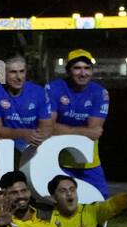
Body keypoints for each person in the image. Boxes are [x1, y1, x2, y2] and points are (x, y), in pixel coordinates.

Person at [46, 50, 111, 196]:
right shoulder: (54, 88)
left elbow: (94, 132)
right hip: (58, 161)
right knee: (58, 207)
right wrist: (81, 131)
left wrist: (62, 128)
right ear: (68, 71)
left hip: (88, 163)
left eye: (87, 68)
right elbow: (48, 127)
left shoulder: (100, 93)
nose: (83, 73)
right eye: (77, 68)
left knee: (101, 202)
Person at [0, 54, 52, 157]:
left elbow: (46, 124)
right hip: (3, 149)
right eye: (13, 72)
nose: (19, 77)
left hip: (35, 147)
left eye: (22, 71)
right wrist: (23, 134)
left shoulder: (38, 91)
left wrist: (38, 138)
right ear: (3, 73)